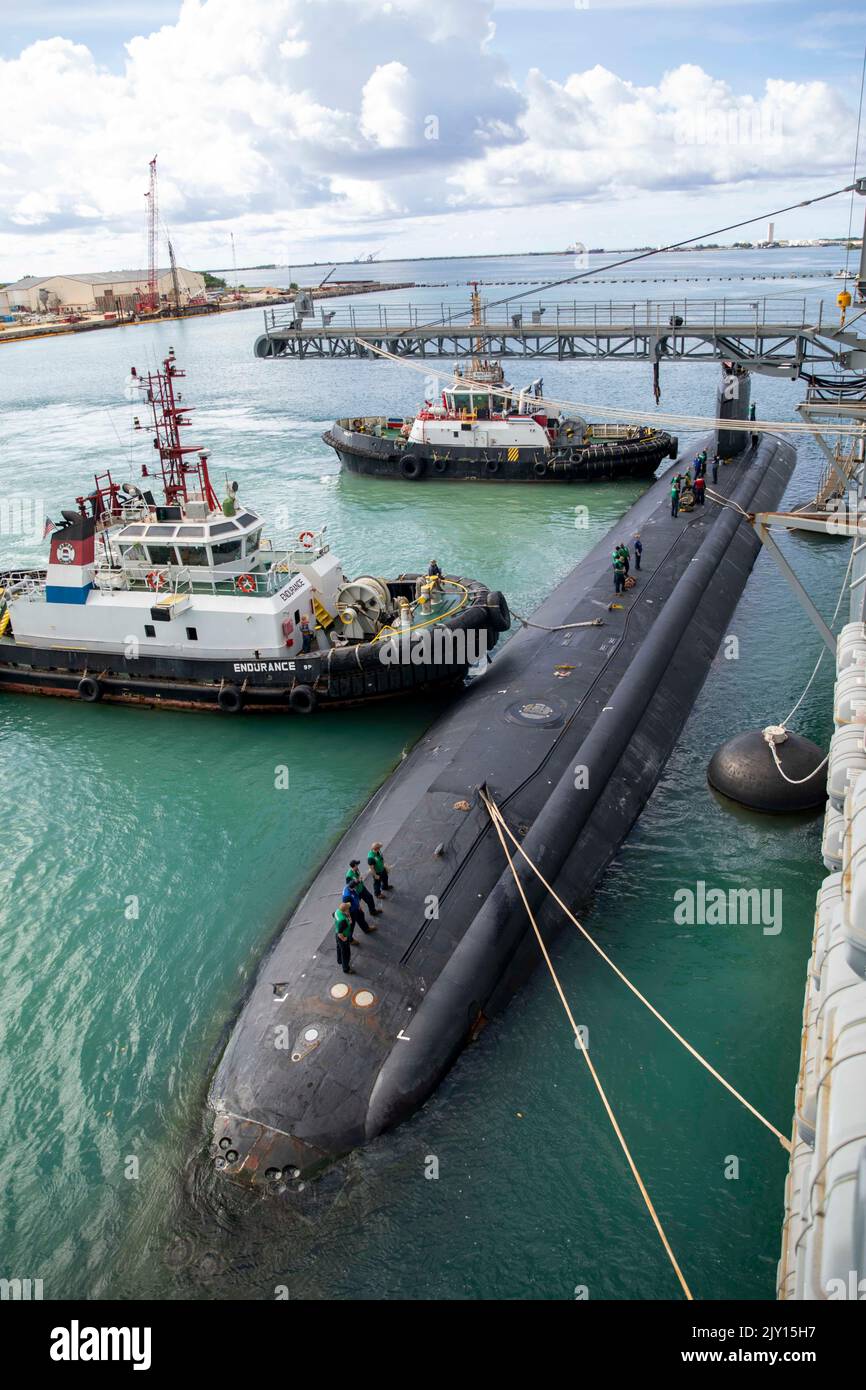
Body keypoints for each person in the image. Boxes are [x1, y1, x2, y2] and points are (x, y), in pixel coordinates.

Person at [334, 905, 354, 974]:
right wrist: (344, 938)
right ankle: (346, 968)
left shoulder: (337, 911)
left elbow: (333, 915)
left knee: (339, 947)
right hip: (343, 937)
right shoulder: (343, 921)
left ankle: (339, 960)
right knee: (346, 953)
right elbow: (340, 933)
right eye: (348, 909)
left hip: (336, 933)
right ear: (344, 911)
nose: (349, 910)